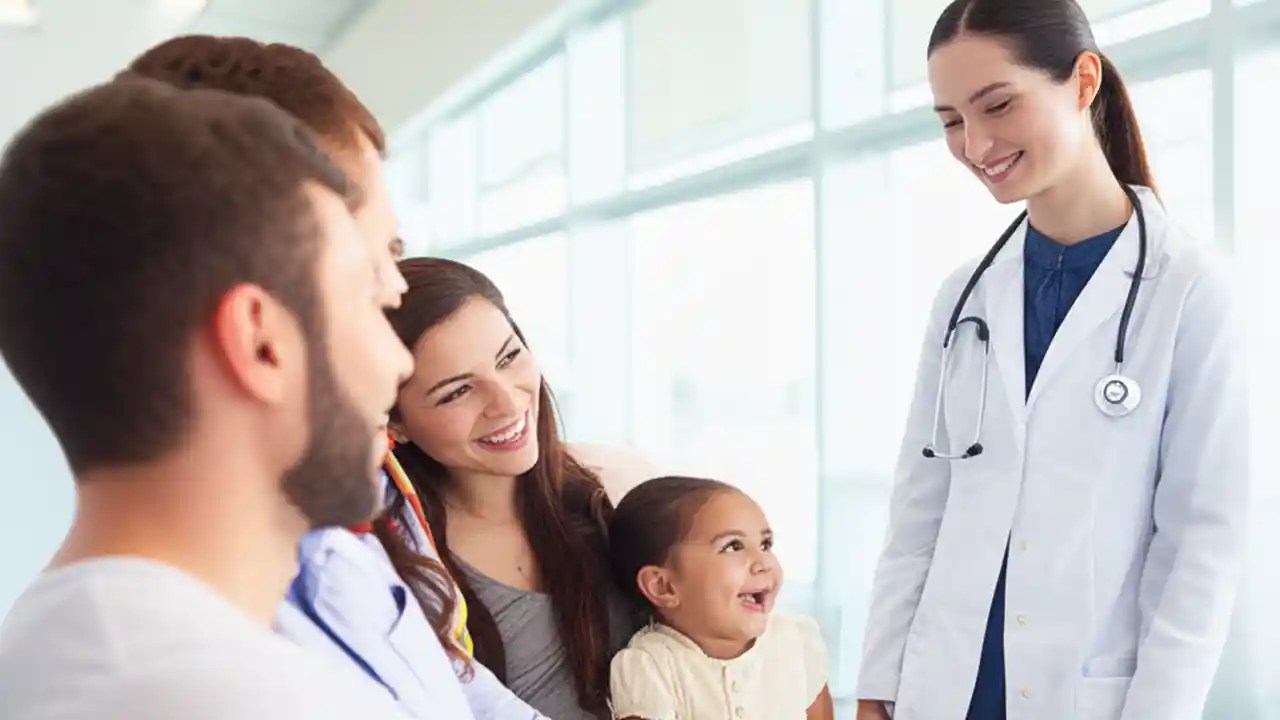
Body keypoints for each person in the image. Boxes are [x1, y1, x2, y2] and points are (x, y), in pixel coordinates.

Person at [123, 36, 544, 720]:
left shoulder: (340, 544)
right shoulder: (162, 670)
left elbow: (464, 691)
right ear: (257, 330)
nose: (398, 353)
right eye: (368, 280)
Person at [855, 2, 1250, 719]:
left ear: (1083, 81)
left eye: (997, 105)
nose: (974, 144)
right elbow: (920, 509)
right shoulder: (964, 297)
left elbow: (1200, 546)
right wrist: (879, 684)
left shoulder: (1190, 290)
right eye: (949, 120)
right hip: (942, 688)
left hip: (1090, 693)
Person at [0, 77, 415, 718]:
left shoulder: (41, 653)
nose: (400, 360)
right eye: (365, 298)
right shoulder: (263, 701)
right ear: (260, 343)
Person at [386, 257, 645, 720]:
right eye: (457, 392)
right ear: (395, 424)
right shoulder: (404, 570)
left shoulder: (614, 484)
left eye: (508, 357)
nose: (506, 402)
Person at [607, 476, 834, 719]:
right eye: (733, 546)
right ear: (664, 586)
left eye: (765, 544)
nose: (763, 563)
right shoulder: (650, 667)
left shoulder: (795, 642)